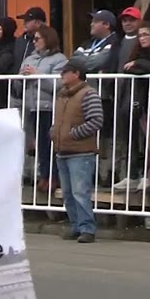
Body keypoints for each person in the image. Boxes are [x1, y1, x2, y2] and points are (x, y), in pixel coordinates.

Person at [51, 62, 104, 243]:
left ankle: (87, 229)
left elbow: (96, 120)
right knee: (68, 194)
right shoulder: (62, 95)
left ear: (76, 73)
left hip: (81, 152)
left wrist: (73, 134)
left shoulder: (89, 94)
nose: (61, 75)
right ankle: (77, 226)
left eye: (65, 72)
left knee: (80, 192)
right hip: (63, 151)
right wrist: (55, 132)